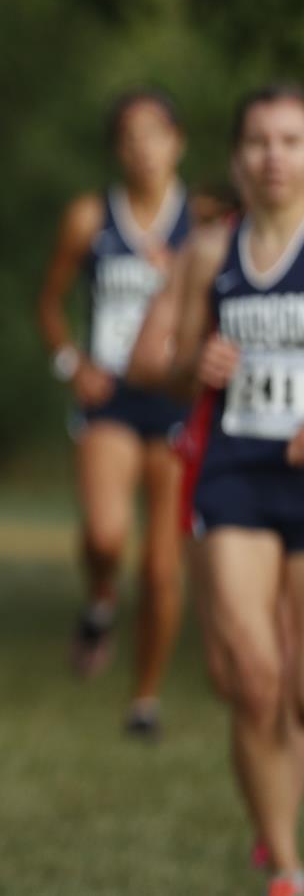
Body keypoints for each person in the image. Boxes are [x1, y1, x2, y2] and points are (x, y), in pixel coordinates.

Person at [166, 83, 304, 896]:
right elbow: (165, 359)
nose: (274, 157)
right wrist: (198, 366)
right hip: (234, 475)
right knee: (253, 678)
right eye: (258, 141)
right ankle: (285, 868)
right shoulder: (209, 253)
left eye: (291, 141)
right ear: (235, 156)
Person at [36, 89, 191, 738]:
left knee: (160, 567)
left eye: (155, 133)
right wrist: (74, 363)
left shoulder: (206, 224)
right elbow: (49, 302)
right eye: (129, 135)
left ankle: (144, 698)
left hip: (178, 402)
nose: (143, 147)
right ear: (116, 148)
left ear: (178, 142)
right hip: (113, 401)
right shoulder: (89, 217)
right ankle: (101, 597)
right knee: (105, 534)